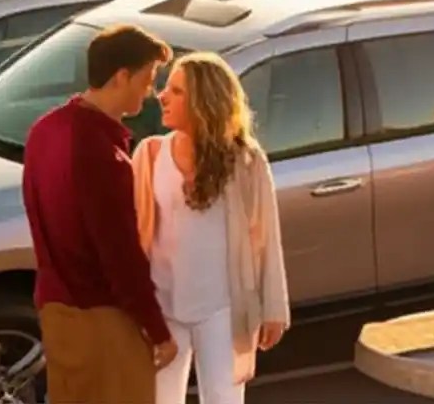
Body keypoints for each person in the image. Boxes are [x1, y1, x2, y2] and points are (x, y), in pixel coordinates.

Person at [22, 24, 178, 404]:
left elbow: (35, 212)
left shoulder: (44, 130)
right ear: (121, 76)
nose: (151, 91)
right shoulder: (102, 155)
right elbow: (119, 254)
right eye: (147, 78)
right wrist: (158, 331)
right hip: (102, 319)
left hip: (56, 309)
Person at [130, 52, 291, 404]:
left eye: (176, 91)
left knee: (223, 398)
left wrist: (274, 308)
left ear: (204, 102)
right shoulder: (150, 154)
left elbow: (266, 238)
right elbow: (131, 237)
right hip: (162, 307)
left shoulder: (246, 161)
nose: (162, 96)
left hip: (223, 307)